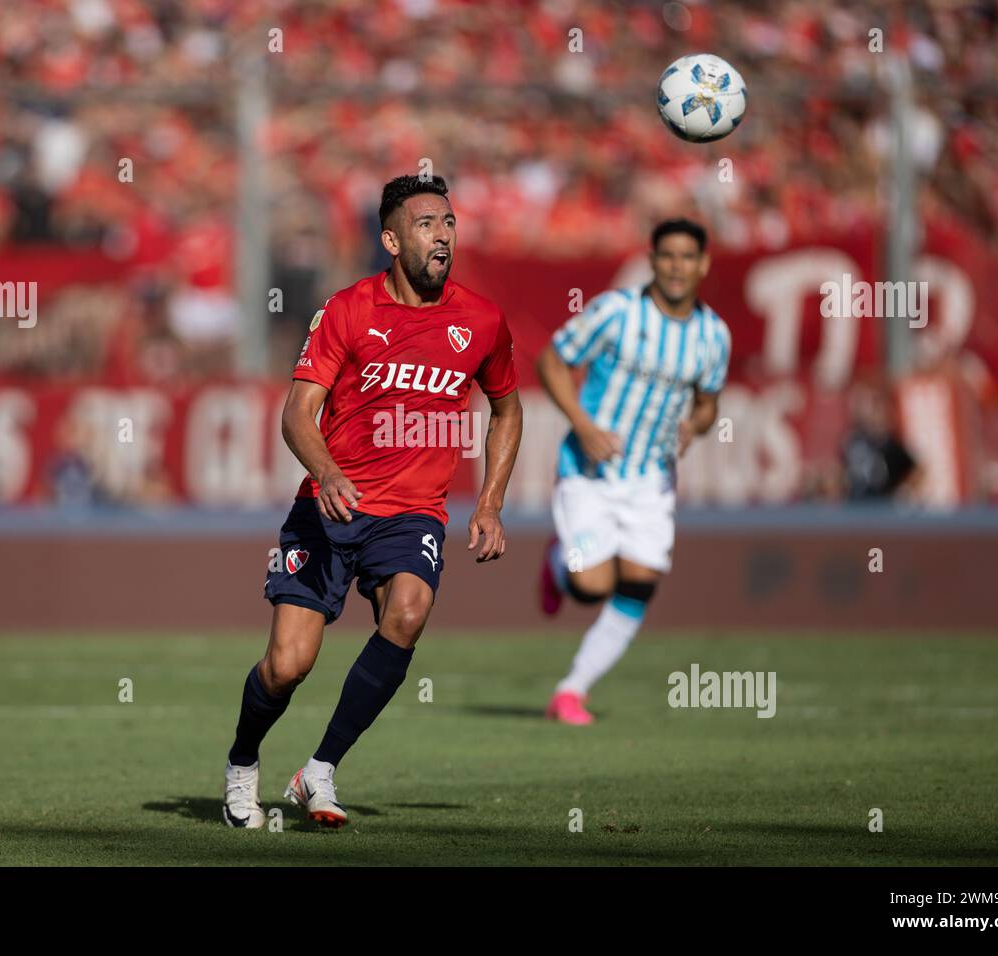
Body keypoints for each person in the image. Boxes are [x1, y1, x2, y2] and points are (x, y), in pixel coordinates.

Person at [222, 174, 523, 827]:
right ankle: (244, 759)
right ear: (390, 239)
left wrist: (492, 503)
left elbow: (507, 409)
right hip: (331, 506)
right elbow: (298, 413)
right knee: (287, 665)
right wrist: (326, 472)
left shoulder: (481, 321)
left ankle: (320, 770)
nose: (441, 236)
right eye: (425, 224)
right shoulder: (347, 311)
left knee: (409, 614)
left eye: (448, 223)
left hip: (414, 510)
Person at [537, 218, 731, 725]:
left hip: (652, 481)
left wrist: (697, 426)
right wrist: (582, 424)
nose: (676, 266)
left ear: (703, 264)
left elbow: (709, 403)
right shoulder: (615, 311)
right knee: (591, 584)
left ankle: (571, 690)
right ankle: (559, 565)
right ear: (652, 259)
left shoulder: (714, 335)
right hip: (589, 472)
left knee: (640, 584)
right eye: (667, 255)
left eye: (687, 257)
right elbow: (552, 362)